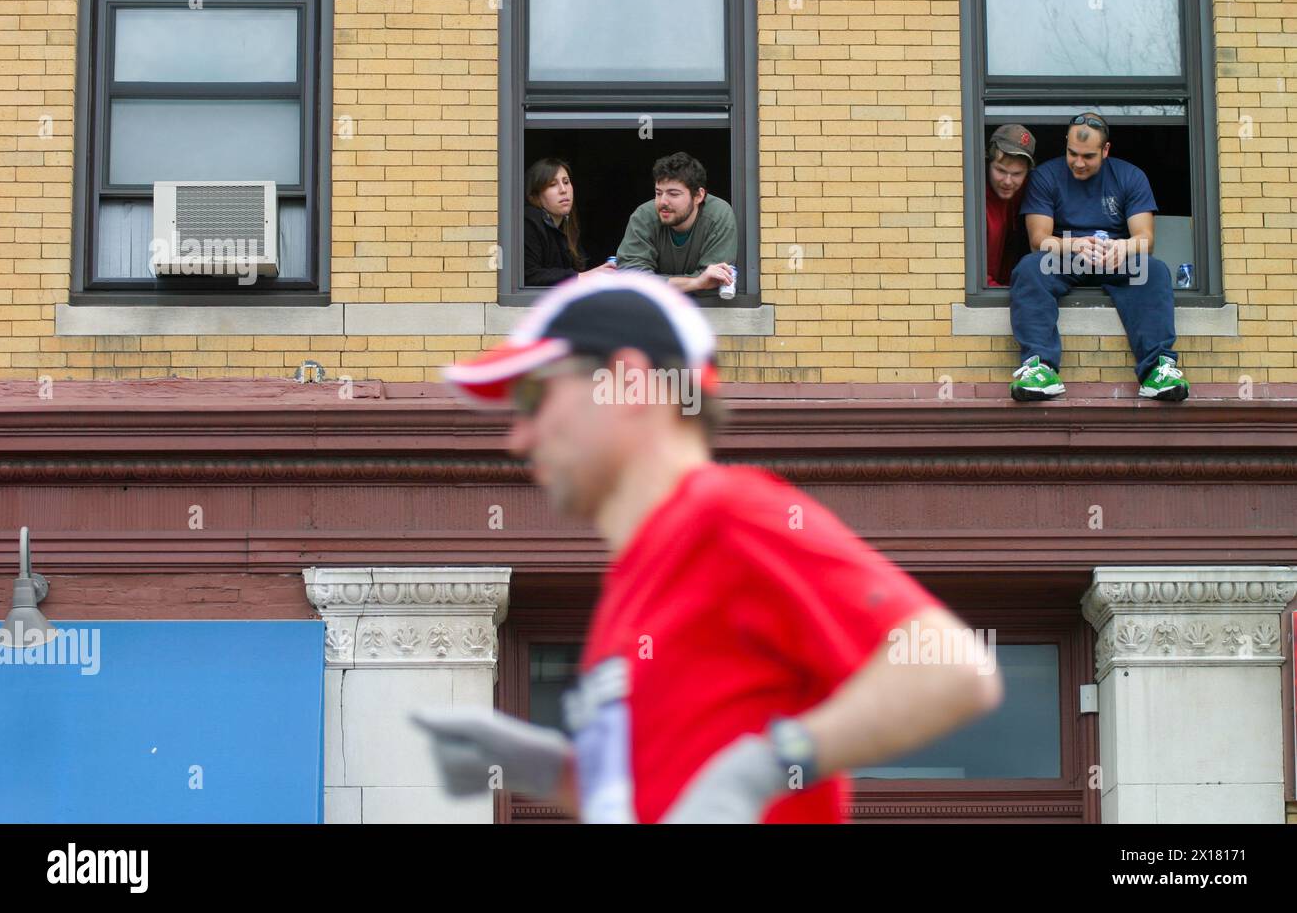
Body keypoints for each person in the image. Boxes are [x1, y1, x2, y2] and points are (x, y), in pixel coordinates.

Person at [417, 273, 1003, 824]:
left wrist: (759, 768)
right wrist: (547, 769)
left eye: (533, 397)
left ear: (628, 381)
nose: (518, 437)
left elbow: (952, 668)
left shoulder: (728, 516)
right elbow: (660, 795)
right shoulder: (635, 580)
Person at [1008, 112, 1189, 402]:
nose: (1078, 163)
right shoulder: (1046, 176)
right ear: (1066, 144)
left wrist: (1124, 247)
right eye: (1072, 153)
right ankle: (1039, 367)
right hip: (1066, 254)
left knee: (1153, 271)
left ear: (1105, 150)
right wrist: (1074, 244)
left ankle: (1157, 370)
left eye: (1088, 156)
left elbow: (1146, 239)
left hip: (1115, 256)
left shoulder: (1130, 176)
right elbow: (1038, 240)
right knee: (1029, 268)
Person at [613, 152, 739, 296]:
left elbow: (713, 282)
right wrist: (696, 282)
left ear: (698, 196)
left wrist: (656, 281)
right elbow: (632, 281)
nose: (663, 202)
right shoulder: (643, 216)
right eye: (658, 193)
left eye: (673, 194)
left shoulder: (718, 216)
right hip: (651, 309)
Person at [523, 157, 614, 287]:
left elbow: (581, 267)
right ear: (536, 195)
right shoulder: (529, 221)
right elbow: (530, 275)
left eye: (566, 182)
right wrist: (581, 277)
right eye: (552, 185)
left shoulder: (567, 226)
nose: (563, 190)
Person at [985, 124, 1036, 288]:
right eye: (1000, 170)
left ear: (1027, 173)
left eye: (1017, 174)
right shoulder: (975, 201)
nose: (1007, 181)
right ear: (987, 164)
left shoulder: (1030, 193)